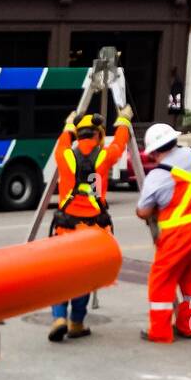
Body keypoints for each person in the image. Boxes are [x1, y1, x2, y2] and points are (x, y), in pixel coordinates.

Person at [47, 106, 132, 343]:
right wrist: (123, 120)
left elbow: (62, 143)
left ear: (79, 134)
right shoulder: (104, 156)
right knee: (82, 278)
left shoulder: (65, 156)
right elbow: (120, 144)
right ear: (98, 136)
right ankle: (76, 322)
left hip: (65, 228)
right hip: (91, 232)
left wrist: (68, 124)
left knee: (61, 276)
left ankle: (58, 319)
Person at [135, 122, 191, 344]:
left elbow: (143, 211)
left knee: (162, 278)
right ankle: (188, 327)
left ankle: (160, 332)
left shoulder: (157, 175)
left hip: (182, 231)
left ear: (154, 151)